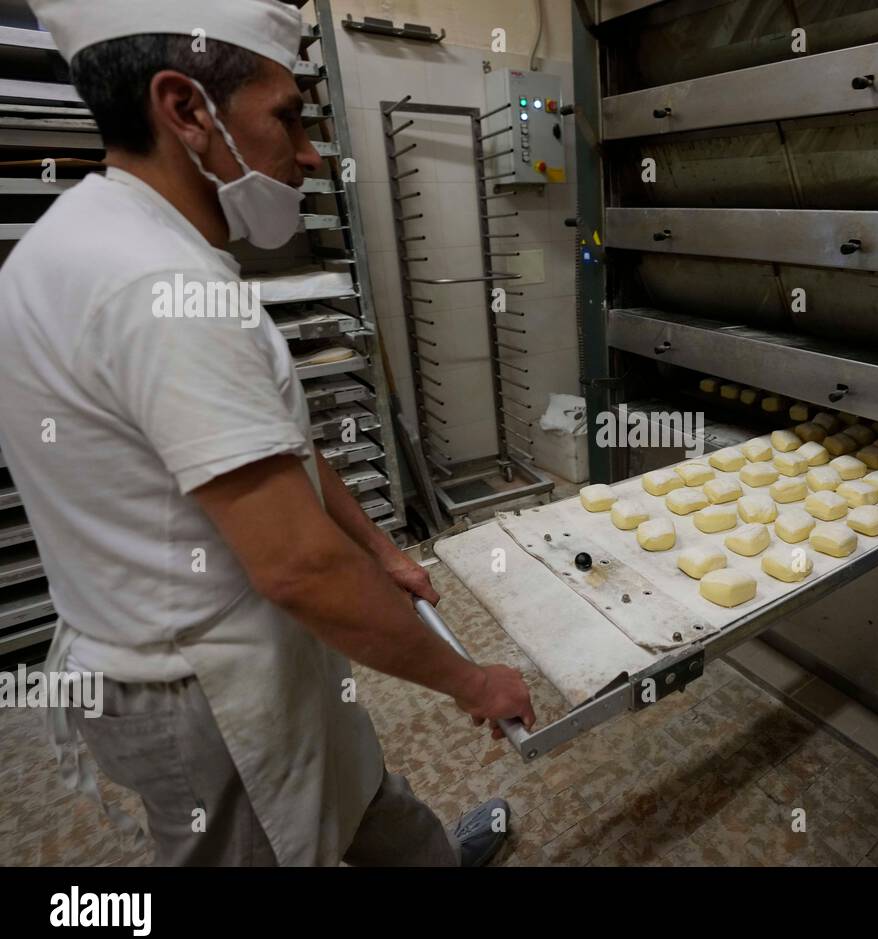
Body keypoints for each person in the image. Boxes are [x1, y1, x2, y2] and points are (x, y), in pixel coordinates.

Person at [0, 0, 535, 866]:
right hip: (206, 694)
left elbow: (266, 442)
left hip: (217, 651)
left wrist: (380, 550)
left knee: (363, 795)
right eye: (287, 117)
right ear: (186, 111)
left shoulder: (69, 242)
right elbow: (297, 566)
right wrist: (473, 683)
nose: (311, 152)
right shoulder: (158, 287)